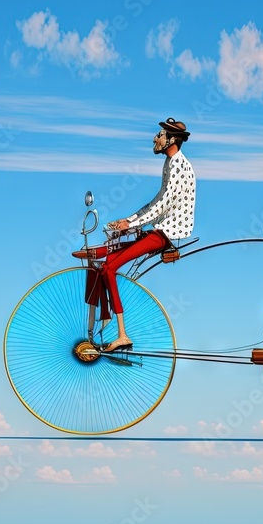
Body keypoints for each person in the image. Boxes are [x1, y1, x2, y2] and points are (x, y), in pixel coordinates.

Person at [80, 118, 196, 353]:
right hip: (159, 228)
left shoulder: (178, 165)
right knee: (107, 263)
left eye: (160, 135)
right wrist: (129, 220)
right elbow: (156, 202)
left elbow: (162, 205)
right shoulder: (170, 163)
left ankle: (121, 333)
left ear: (172, 140)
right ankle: (107, 317)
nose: (155, 138)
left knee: (110, 266)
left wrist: (130, 222)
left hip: (167, 233)